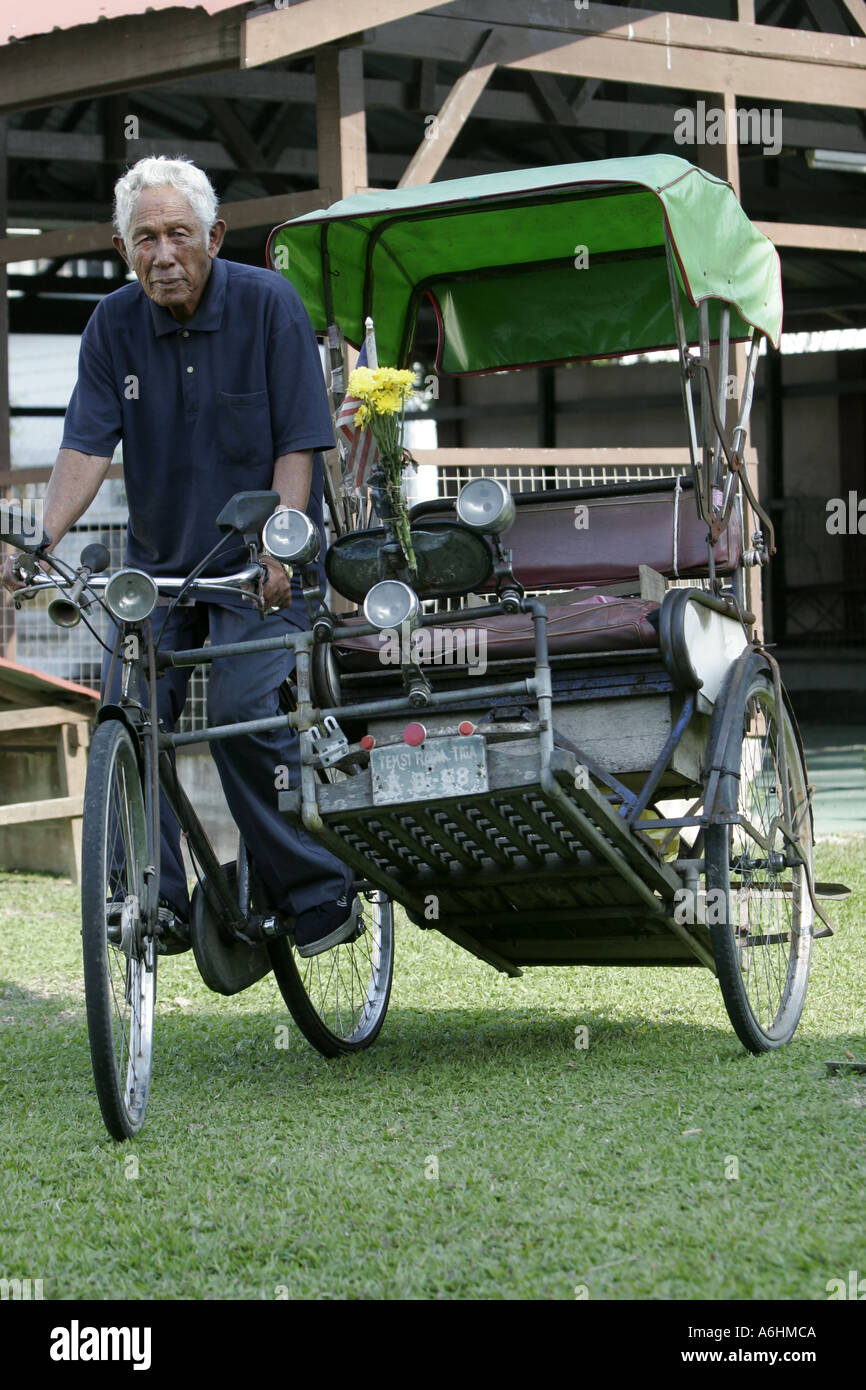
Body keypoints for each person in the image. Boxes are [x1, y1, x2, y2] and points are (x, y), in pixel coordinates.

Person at [1, 155, 356, 957]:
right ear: (124, 250)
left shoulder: (269, 305)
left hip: (258, 564)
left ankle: (317, 888)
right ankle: (152, 900)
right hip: (161, 569)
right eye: (144, 239)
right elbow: (85, 447)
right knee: (126, 719)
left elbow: (298, 441)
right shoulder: (112, 325)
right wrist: (40, 540)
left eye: (178, 235)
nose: (163, 254)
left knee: (239, 720)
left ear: (215, 237)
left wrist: (280, 544)